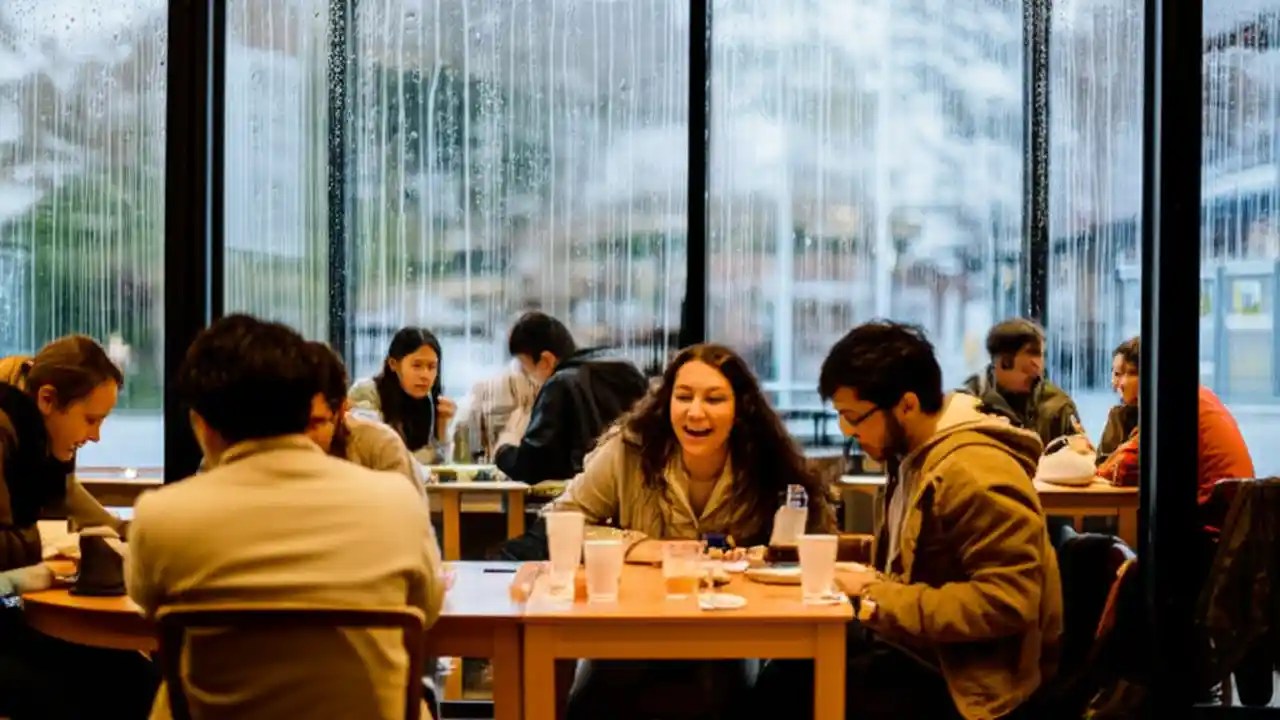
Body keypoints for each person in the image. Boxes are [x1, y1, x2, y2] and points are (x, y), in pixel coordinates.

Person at [127, 315, 446, 720]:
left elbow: (146, 608)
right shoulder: (395, 501)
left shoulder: (161, 517)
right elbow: (428, 608)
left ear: (201, 424)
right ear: (310, 408)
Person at [750, 321, 1062, 720]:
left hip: (968, 685)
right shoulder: (914, 456)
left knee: (785, 691)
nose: (847, 431)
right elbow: (908, 556)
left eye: (854, 417)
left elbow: (1007, 602)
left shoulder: (973, 472)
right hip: (922, 651)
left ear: (908, 405)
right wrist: (805, 556)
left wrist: (877, 597)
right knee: (786, 671)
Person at [550, 343, 835, 720]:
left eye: (714, 399)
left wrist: (763, 555)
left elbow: (817, 536)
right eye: (683, 397)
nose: (695, 412)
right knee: (596, 698)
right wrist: (641, 547)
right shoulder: (632, 449)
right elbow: (564, 518)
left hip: (726, 635)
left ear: (740, 409)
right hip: (631, 631)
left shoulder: (764, 457)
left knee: (713, 696)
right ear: (666, 402)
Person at [0, 335, 158, 719]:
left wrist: (134, 533)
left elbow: (74, 504)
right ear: (47, 400)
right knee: (121, 687)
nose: (96, 436)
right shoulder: (5, 433)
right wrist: (50, 542)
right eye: (91, 419)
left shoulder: (36, 437)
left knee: (135, 679)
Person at [1096, 336, 1254, 509]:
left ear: (1147, 373)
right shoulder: (1199, 394)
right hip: (1238, 515)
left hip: (1211, 523)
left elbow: (1123, 468)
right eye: (1115, 374)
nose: (1116, 384)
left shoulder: (1169, 402)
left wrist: (1090, 463)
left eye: (1124, 374)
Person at [495, 311, 648, 484]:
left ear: (546, 360)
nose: (526, 375)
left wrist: (503, 451)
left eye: (525, 366)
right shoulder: (624, 369)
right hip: (633, 486)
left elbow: (533, 464)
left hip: (588, 493)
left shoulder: (559, 384)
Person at [305, 341, 426, 492]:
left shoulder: (381, 447)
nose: (300, 437)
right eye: (289, 425)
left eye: (314, 423)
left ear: (342, 410)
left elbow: (410, 510)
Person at [961, 318, 1085, 447]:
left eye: (1041, 354)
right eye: (1032, 353)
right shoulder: (969, 403)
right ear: (1004, 361)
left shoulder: (1058, 407)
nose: (1038, 363)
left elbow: (1079, 457)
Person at [349, 327, 456, 464]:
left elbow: (443, 466)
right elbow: (380, 459)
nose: (425, 375)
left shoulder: (433, 402)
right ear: (393, 364)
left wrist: (443, 428)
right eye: (417, 366)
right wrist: (431, 453)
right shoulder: (367, 393)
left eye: (431, 367)